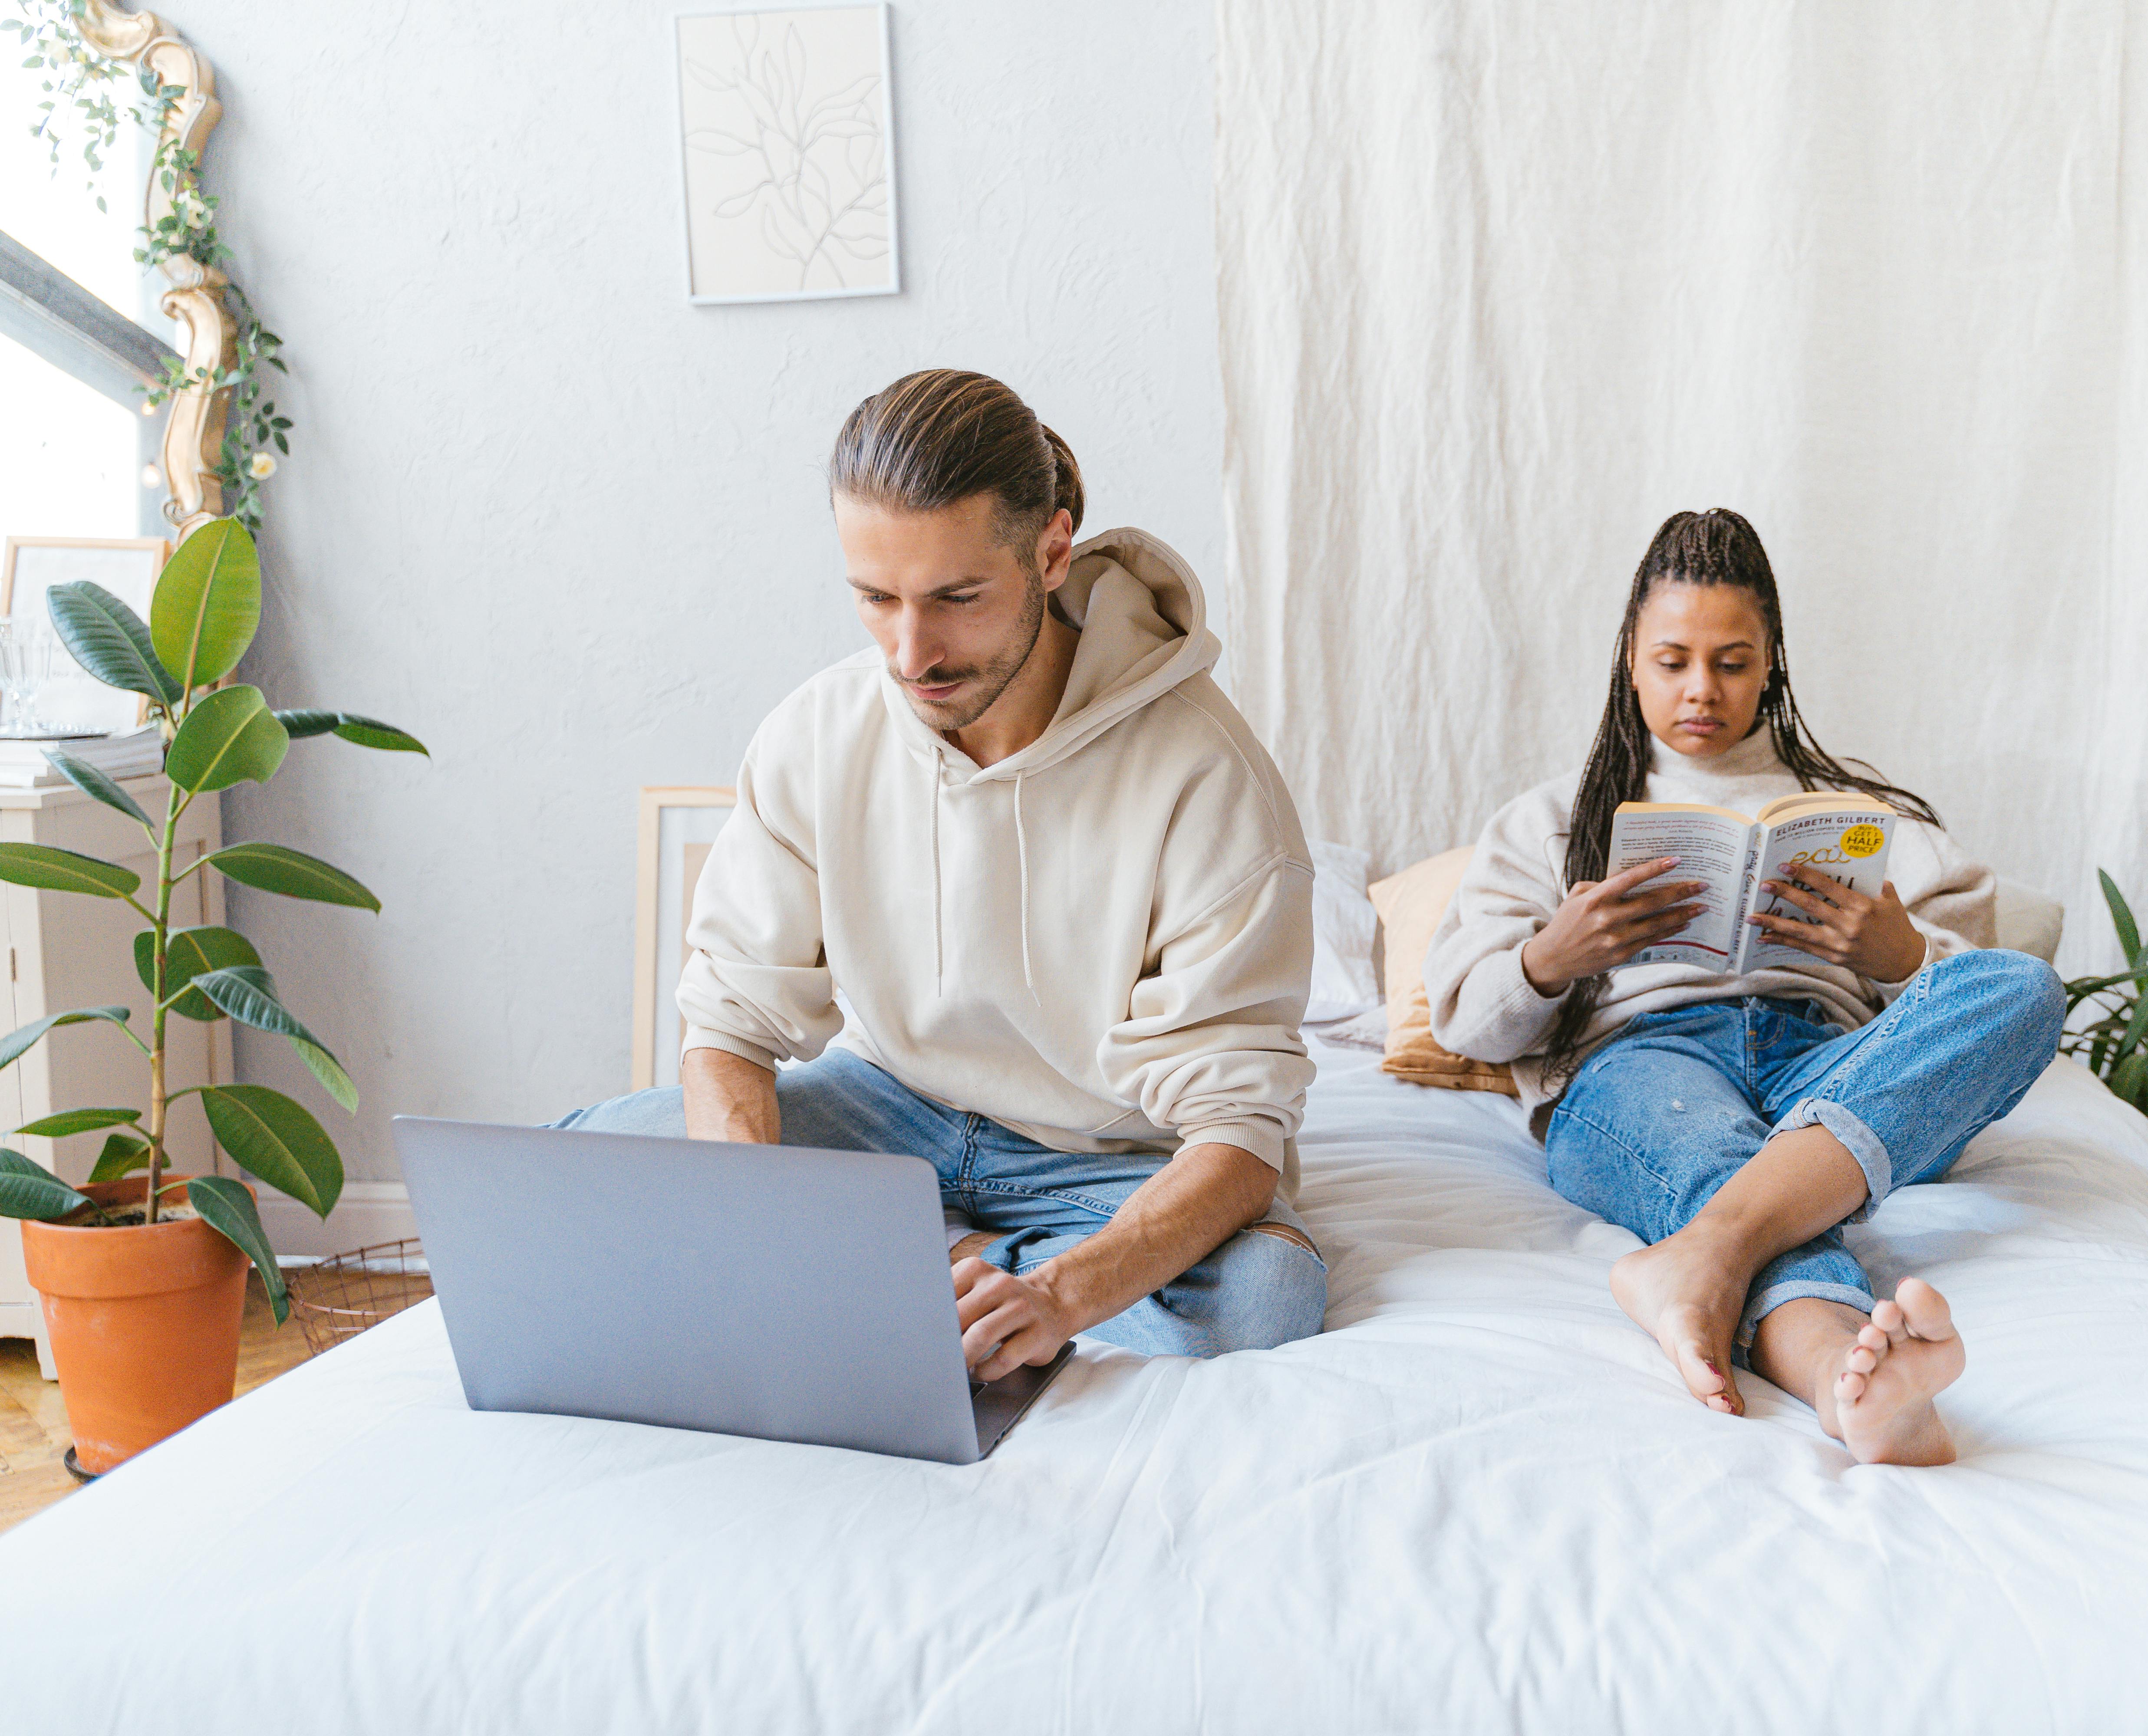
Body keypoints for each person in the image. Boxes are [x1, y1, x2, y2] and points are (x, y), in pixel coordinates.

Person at [560, 368, 1326, 1379]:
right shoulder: (818, 731)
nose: (911, 652)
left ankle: (924, 1271)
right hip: (888, 1105)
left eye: (957, 599)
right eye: (876, 599)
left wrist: (1063, 1294)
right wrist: (749, 1216)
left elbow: (1238, 1130)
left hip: (1106, 1160)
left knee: (1265, 1296)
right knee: (583, 1164)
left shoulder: (1208, 774)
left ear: (1051, 550)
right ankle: (951, 1271)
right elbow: (731, 1025)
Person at [1423, 509, 2063, 1465]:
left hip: (1826, 1064)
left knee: (2024, 988)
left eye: (1732, 662)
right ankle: (1848, 1381)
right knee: (1712, 1154)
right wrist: (1550, 958)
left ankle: (1701, 1256)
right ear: (1630, 661)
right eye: (1672, 660)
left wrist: (1898, 955)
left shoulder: (1859, 809)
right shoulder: (1549, 819)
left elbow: (1973, 994)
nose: (1701, 689)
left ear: (1772, 666)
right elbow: (1466, 1024)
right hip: (1644, 1064)